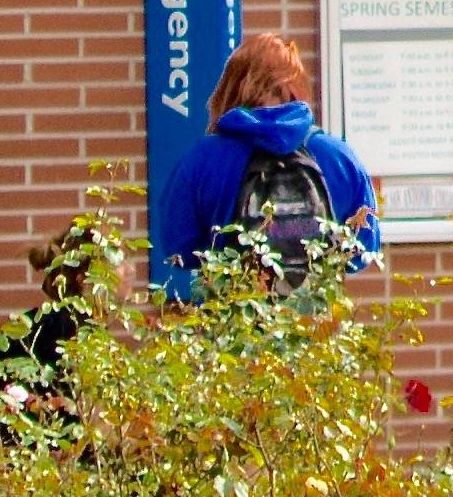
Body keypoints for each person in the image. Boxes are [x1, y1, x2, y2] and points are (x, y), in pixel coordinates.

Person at [141, 33, 372, 301]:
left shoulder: (201, 160)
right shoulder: (339, 157)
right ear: (297, 88)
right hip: (312, 332)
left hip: (234, 330)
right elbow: (363, 251)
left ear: (231, 88)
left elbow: (178, 250)